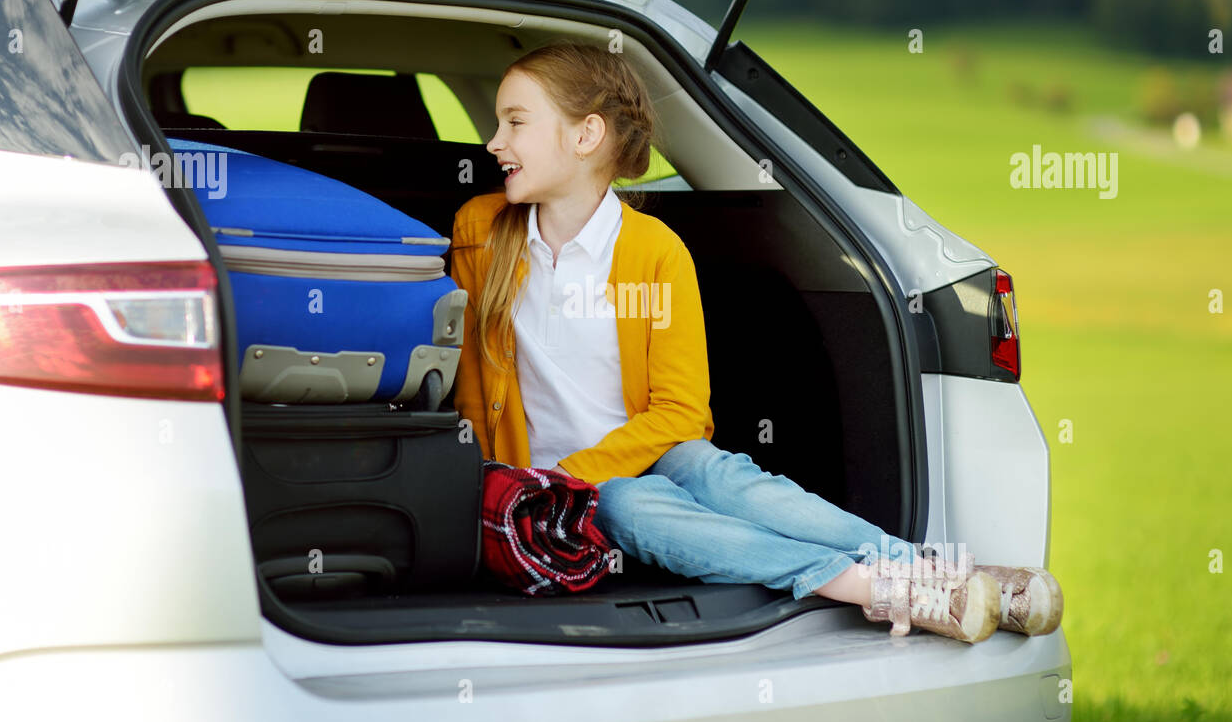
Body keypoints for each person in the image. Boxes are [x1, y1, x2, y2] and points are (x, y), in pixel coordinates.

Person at [450, 41, 1063, 643]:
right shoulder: (480, 232)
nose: (494, 142)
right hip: (554, 496)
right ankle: (864, 586)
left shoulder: (654, 252)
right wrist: (528, 483)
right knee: (626, 506)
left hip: (642, 458)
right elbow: (465, 384)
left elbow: (682, 412)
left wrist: (576, 468)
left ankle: (930, 569)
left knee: (713, 472)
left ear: (585, 137)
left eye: (515, 122)